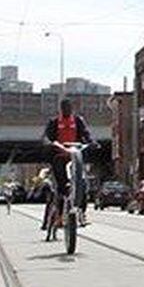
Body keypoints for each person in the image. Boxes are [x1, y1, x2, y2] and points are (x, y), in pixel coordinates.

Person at [43, 98, 93, 228]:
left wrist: (90, 142)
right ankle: (59, 216)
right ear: (60, 109)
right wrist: (50, 143)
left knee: (82, 184)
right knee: (61, 186)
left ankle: (81, 212)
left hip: (75, 156)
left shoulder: (78, 121)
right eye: (64, 108)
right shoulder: (54, 122)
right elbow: (47, 137)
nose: (67, 110)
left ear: (72, 109)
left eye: (69, 108)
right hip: (59, 157)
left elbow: (86, 134)